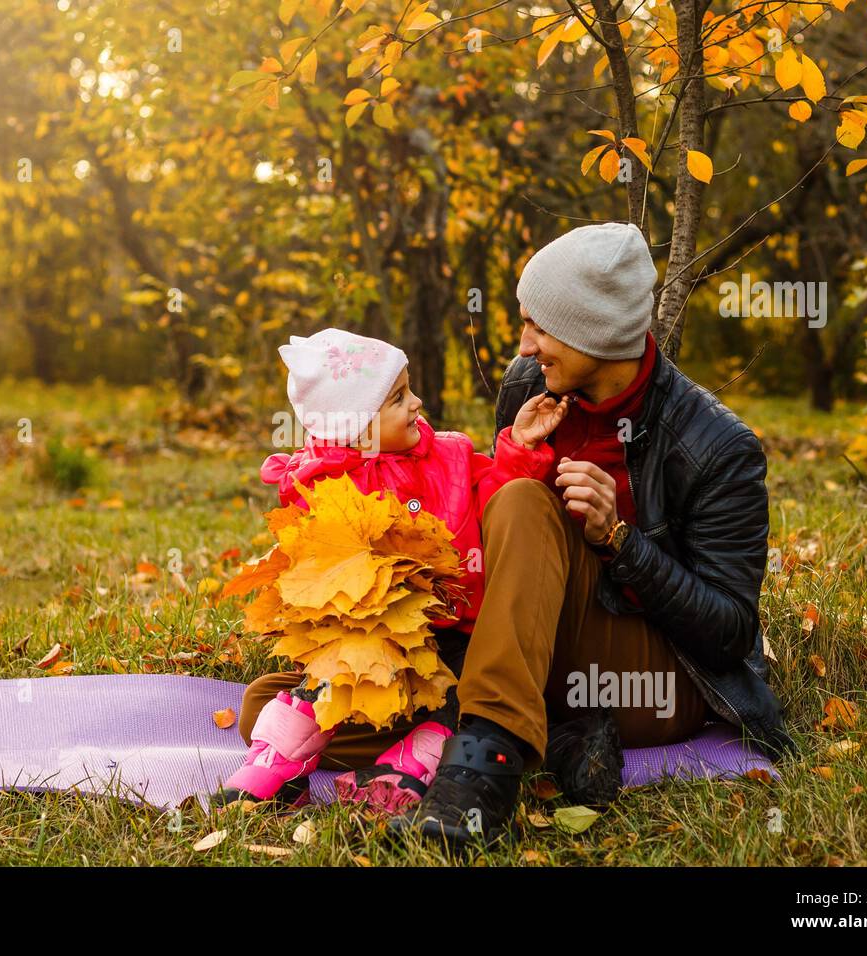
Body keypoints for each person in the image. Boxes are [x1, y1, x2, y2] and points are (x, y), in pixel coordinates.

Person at [386, 221, 797, 850]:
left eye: (540, 328)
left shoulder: (717, 447)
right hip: (538, 645)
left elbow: (730, 631)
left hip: (656, 679)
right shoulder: (530, 386)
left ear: (595, 333)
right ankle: (560, 740)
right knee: (274, 707)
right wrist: (509, 454)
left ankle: (479, 779)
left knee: (525, 502)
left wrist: (621, 541)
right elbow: (499, 543)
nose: (525, 347)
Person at [213, 327, 566, 812]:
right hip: (373, 643)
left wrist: (520, 449)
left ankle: (409, 765)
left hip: (454, 633)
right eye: (399, 397)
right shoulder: (324, 487)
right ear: (358, 427)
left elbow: (499, 501)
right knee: (320, 684)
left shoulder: (450, 456)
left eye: (410, 388)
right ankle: (278, 763)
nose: (417, 402)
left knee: (460, 694)